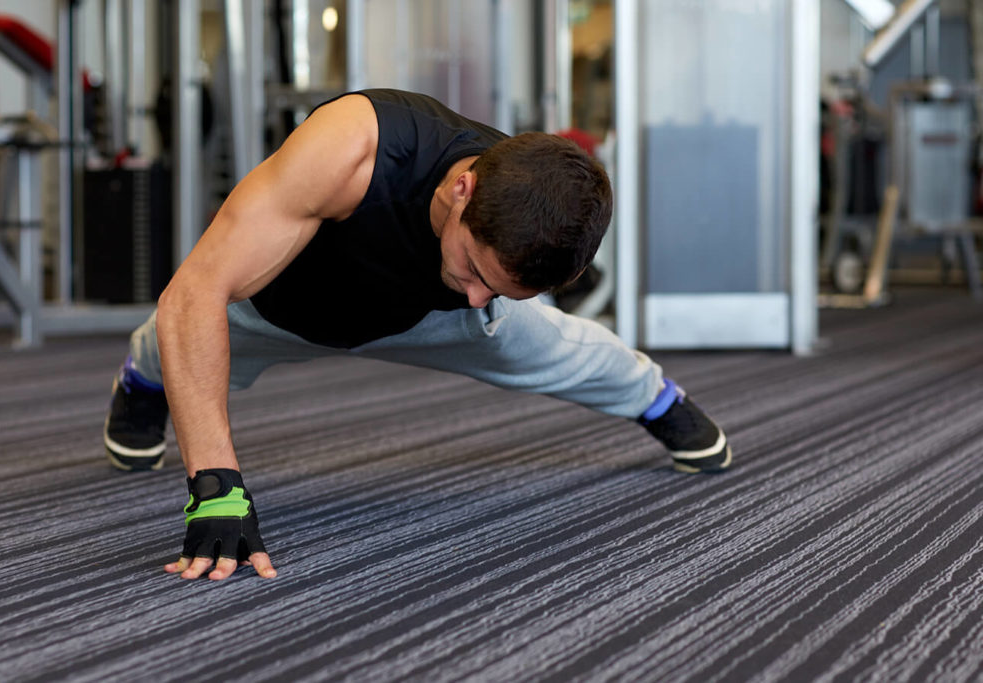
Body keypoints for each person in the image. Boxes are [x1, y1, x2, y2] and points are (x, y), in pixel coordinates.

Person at [103, 89, 732, 582]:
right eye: (479, 271)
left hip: (426, 315)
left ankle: (660, 400)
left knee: (560, 346)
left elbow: (493, 295)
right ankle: (140, 381)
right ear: (463, 191)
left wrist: (489, 292)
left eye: (502, 290)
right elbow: (196, 290)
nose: (481, 297)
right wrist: (215, 489)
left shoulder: (521, 216)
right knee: (175, 333)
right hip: (284, 309)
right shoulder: (353, 147)